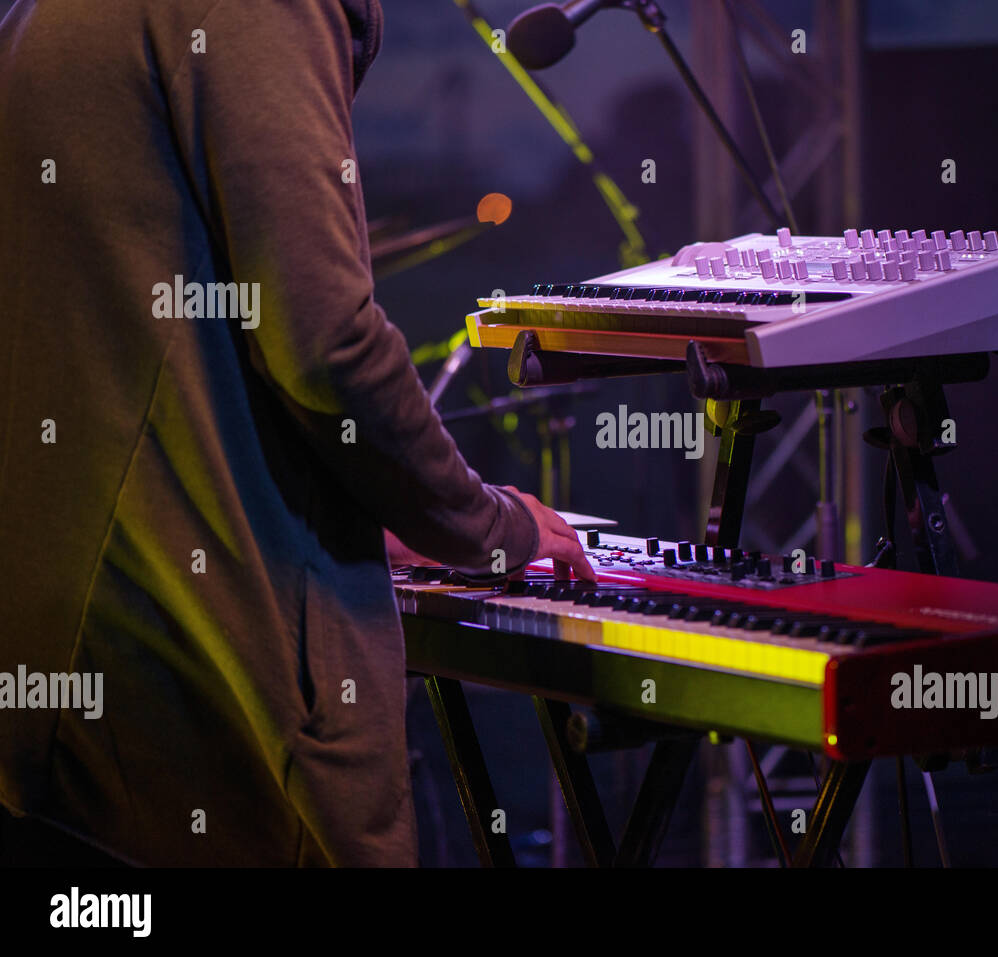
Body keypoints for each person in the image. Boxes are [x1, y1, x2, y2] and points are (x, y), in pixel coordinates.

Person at [0, 0, 592, 866]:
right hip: (197, 687)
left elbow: (144, 350)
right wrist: (487, 527)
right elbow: (326, 345)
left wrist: (352, 503)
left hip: (61, 679)